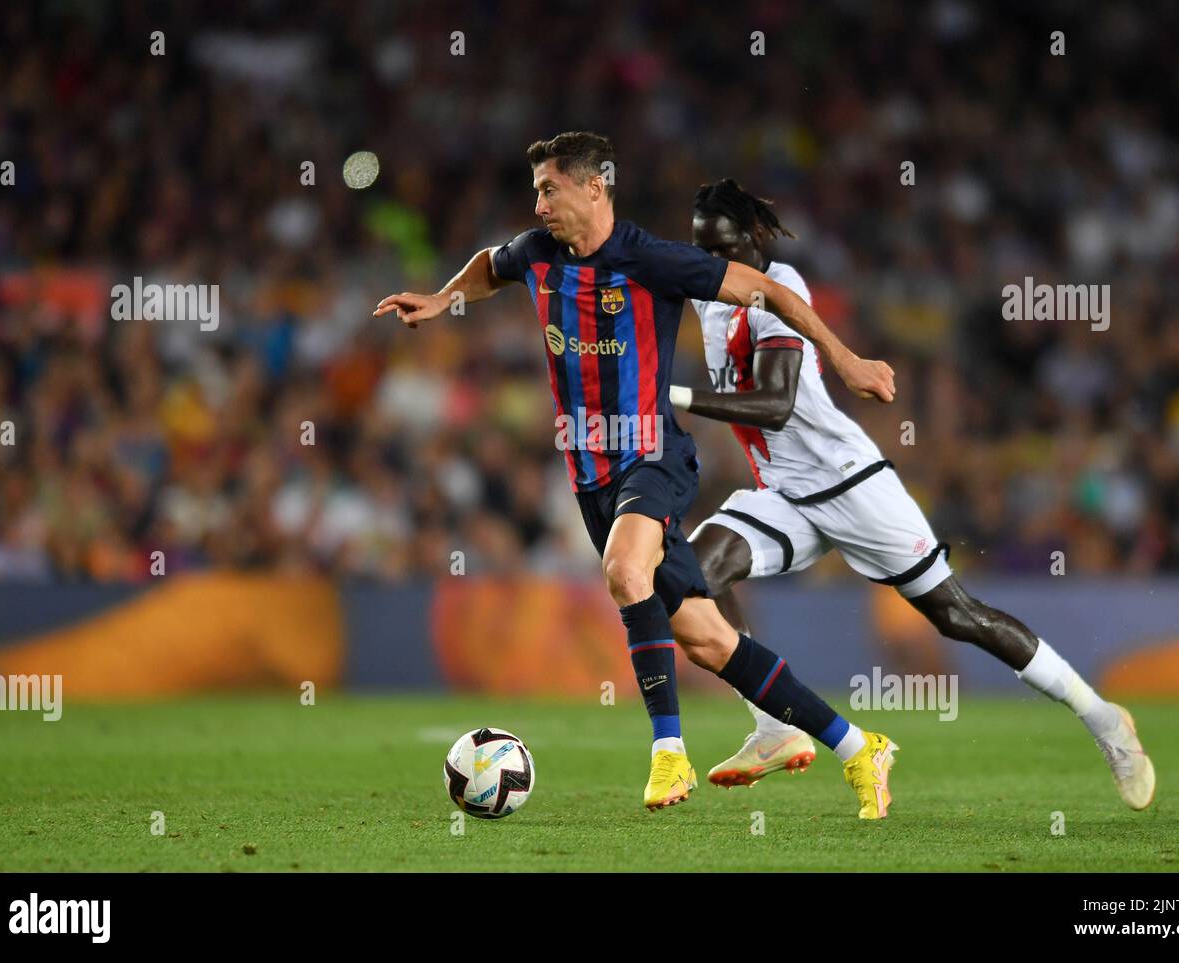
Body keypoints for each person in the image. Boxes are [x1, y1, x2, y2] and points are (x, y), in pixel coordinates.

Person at [374, 133, 902, 818]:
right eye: (535, 191)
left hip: (654, 457)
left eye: (549, 189)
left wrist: (849, 360)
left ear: (595, 188)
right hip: (591, 477)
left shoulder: (653, 259)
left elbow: (769, 291)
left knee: (627, 573)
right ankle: (860, 746)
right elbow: (488, 265)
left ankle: (667, 750)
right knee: (709, 640)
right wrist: (445, 298)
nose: (538, 204)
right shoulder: (537, 253)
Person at [669, 178, 1155, 811]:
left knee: (956, 614)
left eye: (724, 249)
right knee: (689, 574)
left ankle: (1104, 720)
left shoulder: (778, 290)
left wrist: (669, 397)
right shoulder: (709, 294)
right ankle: (774, 727)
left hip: (846, 481)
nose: (714, 264)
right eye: (703, 251)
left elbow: (775, 405)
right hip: (782, 493)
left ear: (755, 239)